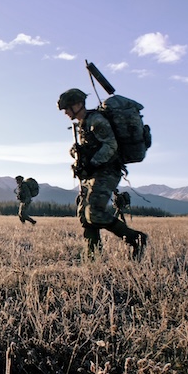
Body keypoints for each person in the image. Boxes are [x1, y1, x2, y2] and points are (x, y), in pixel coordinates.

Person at [58, 88, 147, 259]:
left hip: (107, 171)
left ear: (78, 104)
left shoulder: (96, 121)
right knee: (84, 215)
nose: (66, 112)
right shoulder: (83, 124)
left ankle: (135, 238)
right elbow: (90, 147)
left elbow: (110, 145)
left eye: (68, 108)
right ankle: (93, 257)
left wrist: (92, 164)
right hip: (93, 174)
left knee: (95, 213)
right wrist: (76, 153)